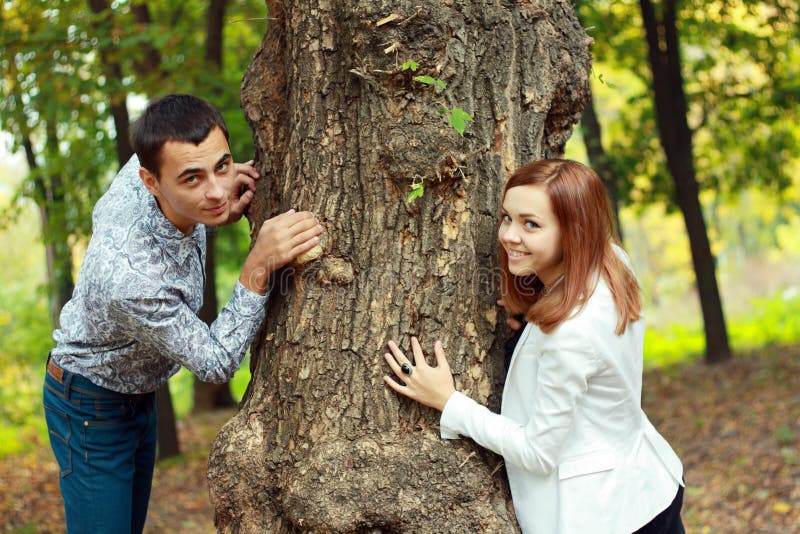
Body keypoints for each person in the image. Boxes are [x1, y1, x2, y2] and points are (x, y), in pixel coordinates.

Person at [43, 94, 323, 533]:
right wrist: (258, 265)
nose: (216, 191)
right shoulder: (133, 278)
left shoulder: (154, 168)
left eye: (222, 166)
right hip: (90, 407)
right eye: (192, 178)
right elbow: (215, 363)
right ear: (150, 182)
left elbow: (202, 189)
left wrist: (213, 209)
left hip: (138, 394)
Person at [383, 159, 684, 533]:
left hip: (605, 515)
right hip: (649, 484)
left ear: (574, 231)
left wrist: (450, 402)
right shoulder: (612, 261)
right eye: (507, 217)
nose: (509, 235)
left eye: (531, 224)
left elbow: (537, 452)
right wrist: (534, 314)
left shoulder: (571, 332)